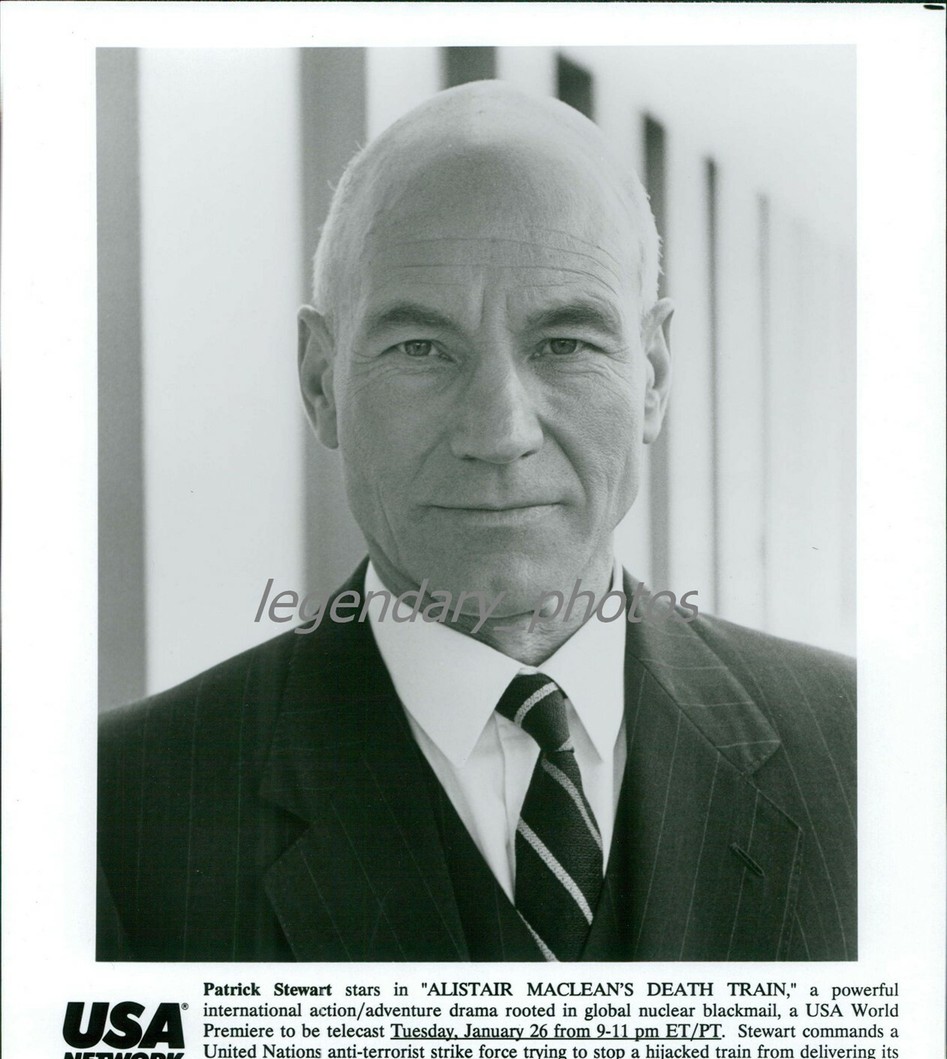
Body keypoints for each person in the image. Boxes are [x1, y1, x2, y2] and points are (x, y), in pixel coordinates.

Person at [98, 81, 856, 962]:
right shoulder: (118, 815)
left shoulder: (867, 751)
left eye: (564, 345)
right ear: (319, 383)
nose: (499, 432)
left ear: (651, 375)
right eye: (421, 349)